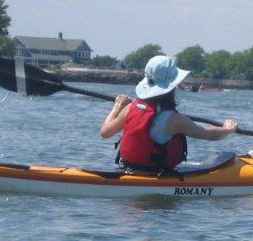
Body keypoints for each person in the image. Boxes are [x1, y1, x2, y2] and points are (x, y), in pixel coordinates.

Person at [101, 55, 239, 170]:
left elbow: (105, 132)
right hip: (154, 174)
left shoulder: (131, 107)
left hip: (127, 168)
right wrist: (228, 129)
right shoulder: (174, 120)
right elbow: (208, 134)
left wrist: (117, 107)